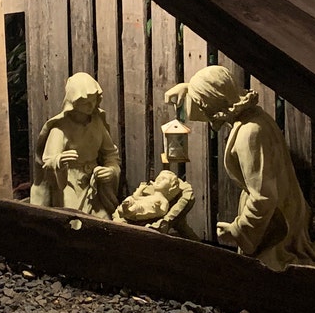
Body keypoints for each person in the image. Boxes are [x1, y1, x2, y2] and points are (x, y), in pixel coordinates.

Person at [165, 65, 315, 277]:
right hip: (281, 205)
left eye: (201, 105)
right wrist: (189, 89)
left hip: (275, 219)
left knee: (274, 271)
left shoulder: (249, 134)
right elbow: (215, 98)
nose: (205, 117)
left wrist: (238, 230)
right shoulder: (252, 116)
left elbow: (263, 197)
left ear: (210, 105)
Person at [30, 72, 121, 219]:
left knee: (104, 219)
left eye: (93, 100)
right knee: (72, 219)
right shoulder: (60, 129)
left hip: (93, 184)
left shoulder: (97, 123)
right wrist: (59, 161)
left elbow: (110, 154)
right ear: (73, 101)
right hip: (68, 183)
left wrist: (111, 170)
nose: (91, 105)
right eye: (85, 102)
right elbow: (48, 161)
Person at [113, 169, 199, 240]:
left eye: (163, 179)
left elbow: (163, 211)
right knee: (131, 200)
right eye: (158, 178)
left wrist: (160, 212)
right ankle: (125, 210)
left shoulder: (163, 200)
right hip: (141, 205)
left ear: (171, 188)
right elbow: (137, 197)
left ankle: (128, 211)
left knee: (138, 208)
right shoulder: (150, 193)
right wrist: (140, 189)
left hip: (149, 210)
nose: (159, 180)